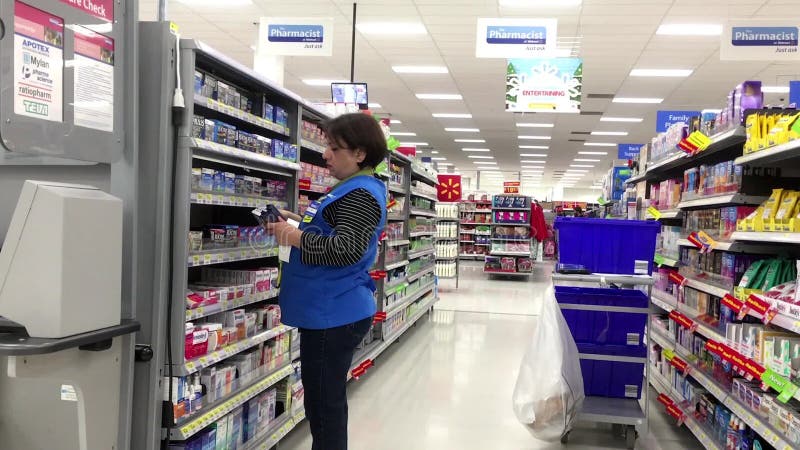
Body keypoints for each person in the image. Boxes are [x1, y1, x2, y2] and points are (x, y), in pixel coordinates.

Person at [264, 113, 387, 450]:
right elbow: (333, 230)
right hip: (329, 308)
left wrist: (293, 237)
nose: (325, 155)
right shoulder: (349, 188)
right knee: (323, 400)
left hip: (334, 312)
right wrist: (295, 221)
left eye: (334, 148)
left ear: (360, 153)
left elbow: (345, 249)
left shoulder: (360, 193)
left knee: (324, 404)